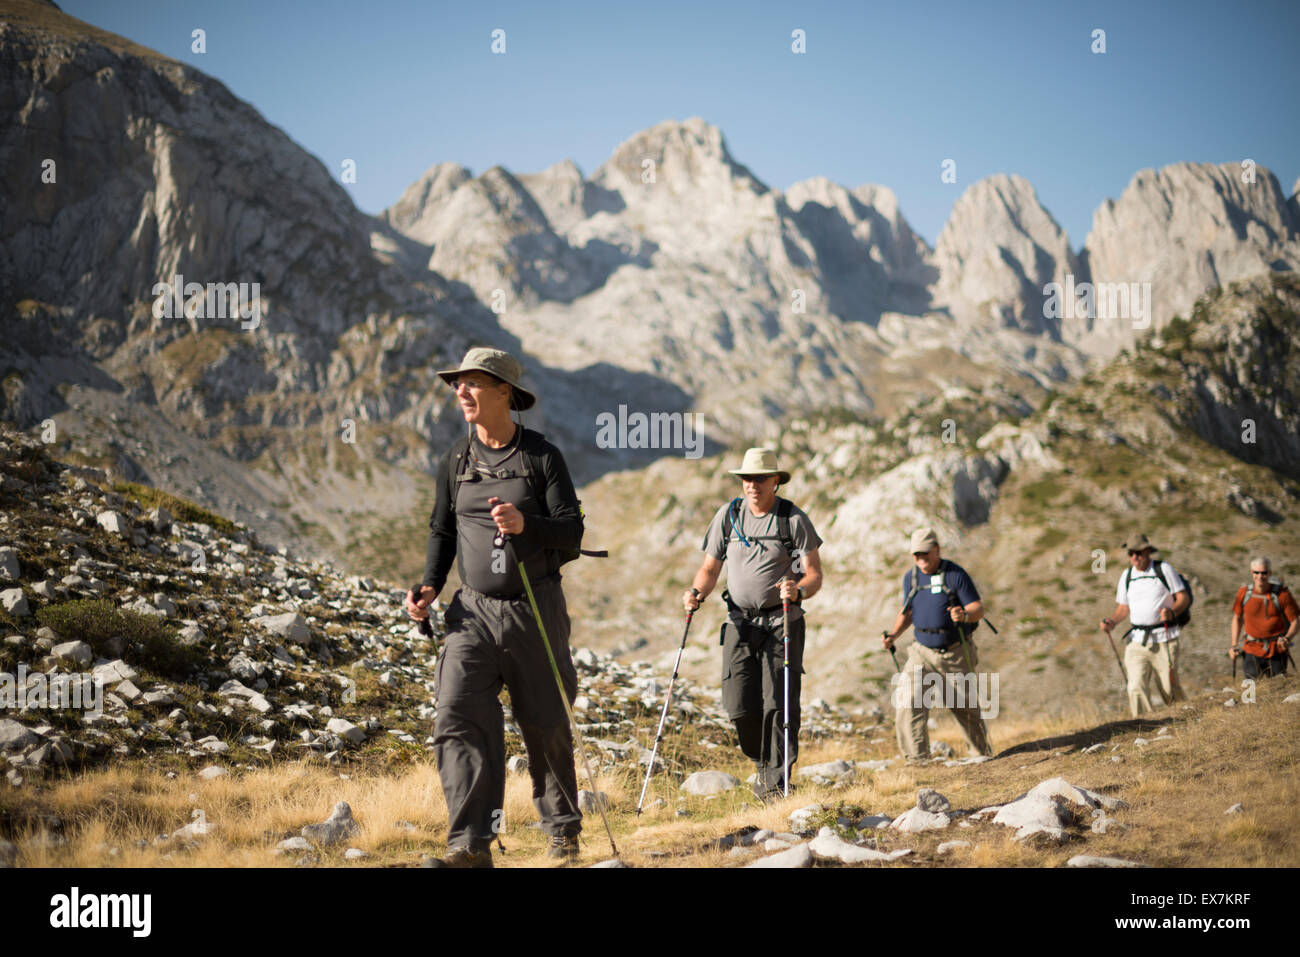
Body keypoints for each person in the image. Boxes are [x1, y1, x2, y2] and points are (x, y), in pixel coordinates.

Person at [405, 347, 584, 867]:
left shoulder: (541, 457)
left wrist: (528, 526)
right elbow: (441, 530)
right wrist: (429, 588)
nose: (461, 392)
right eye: (457, 384)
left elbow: (572, 533)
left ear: (505, 392)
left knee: (545, 721)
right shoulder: (455, 461)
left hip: (534, 608)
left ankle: (562, 834)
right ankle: (470, 845)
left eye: (473, 383)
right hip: (472, 612)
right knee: (456, 712)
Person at [683, 447, 823, 800]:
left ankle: (776, 786)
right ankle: (764, 764)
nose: (752, 485)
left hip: (783, 622)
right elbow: (710, 568)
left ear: (776, 480)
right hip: (739, 623)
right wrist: (696, 592)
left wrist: (798, 589)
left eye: (760, 478)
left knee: (779, 703)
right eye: (746, 478)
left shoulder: (792, 519)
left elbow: (815, 575)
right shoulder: (728, 516)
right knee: (738, 705)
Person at [881, 528, 992, 759]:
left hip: (956, 652)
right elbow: (907, 612)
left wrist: (963, 615)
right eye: (916, 555)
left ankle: (981, 755)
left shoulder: (955, 574)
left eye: (924, 553)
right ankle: (917, 761)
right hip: (921, 651)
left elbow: (978, 609)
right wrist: (894, 634)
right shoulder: (911, 578)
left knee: (964, 707)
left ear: (937, 549)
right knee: (908, 699)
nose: (920, 559)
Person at [1099, 531, 1190, 717]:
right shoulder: (1127, 576)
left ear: (1148, 551)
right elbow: (1123, 608)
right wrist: (1112, 622)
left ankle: (1184, 717)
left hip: (1165, 637)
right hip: (1137, 640)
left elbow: (1183, 597)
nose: (1134, 557)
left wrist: (1172, 612)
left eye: (1138, 553)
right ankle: (1144, 725)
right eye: (1131, 553)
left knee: (1168, 686)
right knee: (1135, 686)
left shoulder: (1163, 569)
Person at [1230, 556, 1298, 679]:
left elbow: (1295, 621)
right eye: (1256, 572)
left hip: (1277, 650)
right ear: (1252, 573)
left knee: (1278, 690)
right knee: (1251, 690)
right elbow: (1237, 618)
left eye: (1264, 573)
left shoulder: (1282, 594)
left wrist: (1287, 638)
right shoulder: (1244, 593)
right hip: (1251, 649)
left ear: (1270, 573)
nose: (1260, 576)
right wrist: (1234, 645)